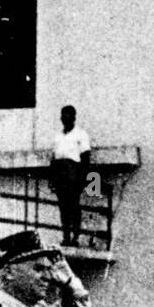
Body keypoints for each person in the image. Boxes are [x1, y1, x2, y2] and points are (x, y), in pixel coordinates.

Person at [50, 105, 91, 246]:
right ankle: (66, 236)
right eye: (63, 115)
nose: (65, 118)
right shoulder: (58, 136)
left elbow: (85, 157)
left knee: (74, 205)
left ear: (74, 117)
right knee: (63, 206)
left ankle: (75, 237)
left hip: (73, 172)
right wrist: (52, 178)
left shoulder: (81, 134)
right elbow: (53, 158)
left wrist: (84, 179)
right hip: (60, 172)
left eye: (68, 115)